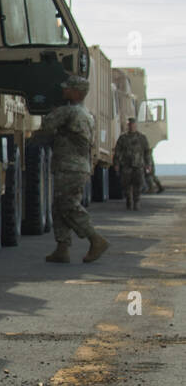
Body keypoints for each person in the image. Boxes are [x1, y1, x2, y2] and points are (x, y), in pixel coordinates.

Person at [33, 75, 110, 264]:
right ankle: (62, 247)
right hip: (76, 167)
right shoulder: (86, 113)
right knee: (59, 206)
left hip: (70, 167)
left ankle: (95, 239)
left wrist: (50, 111)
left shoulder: (68, 112)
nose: (63, 91)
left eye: (67, 88)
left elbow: (46, 126)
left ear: (76, 92)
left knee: (68, 205)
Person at [113, 118, 152, 210]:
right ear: (128, 126)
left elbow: (147, 152)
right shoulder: (123, 138)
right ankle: (129, 200)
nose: (131, 126)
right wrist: (116, 163)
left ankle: (136, 201)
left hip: (138, 165)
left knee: (138, 184)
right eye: (130, 125)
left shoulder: (142, 138)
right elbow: (117, 151)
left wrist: (148, 164)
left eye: (133, 124)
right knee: (126, 184)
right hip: (126, 165)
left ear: (136, 125)